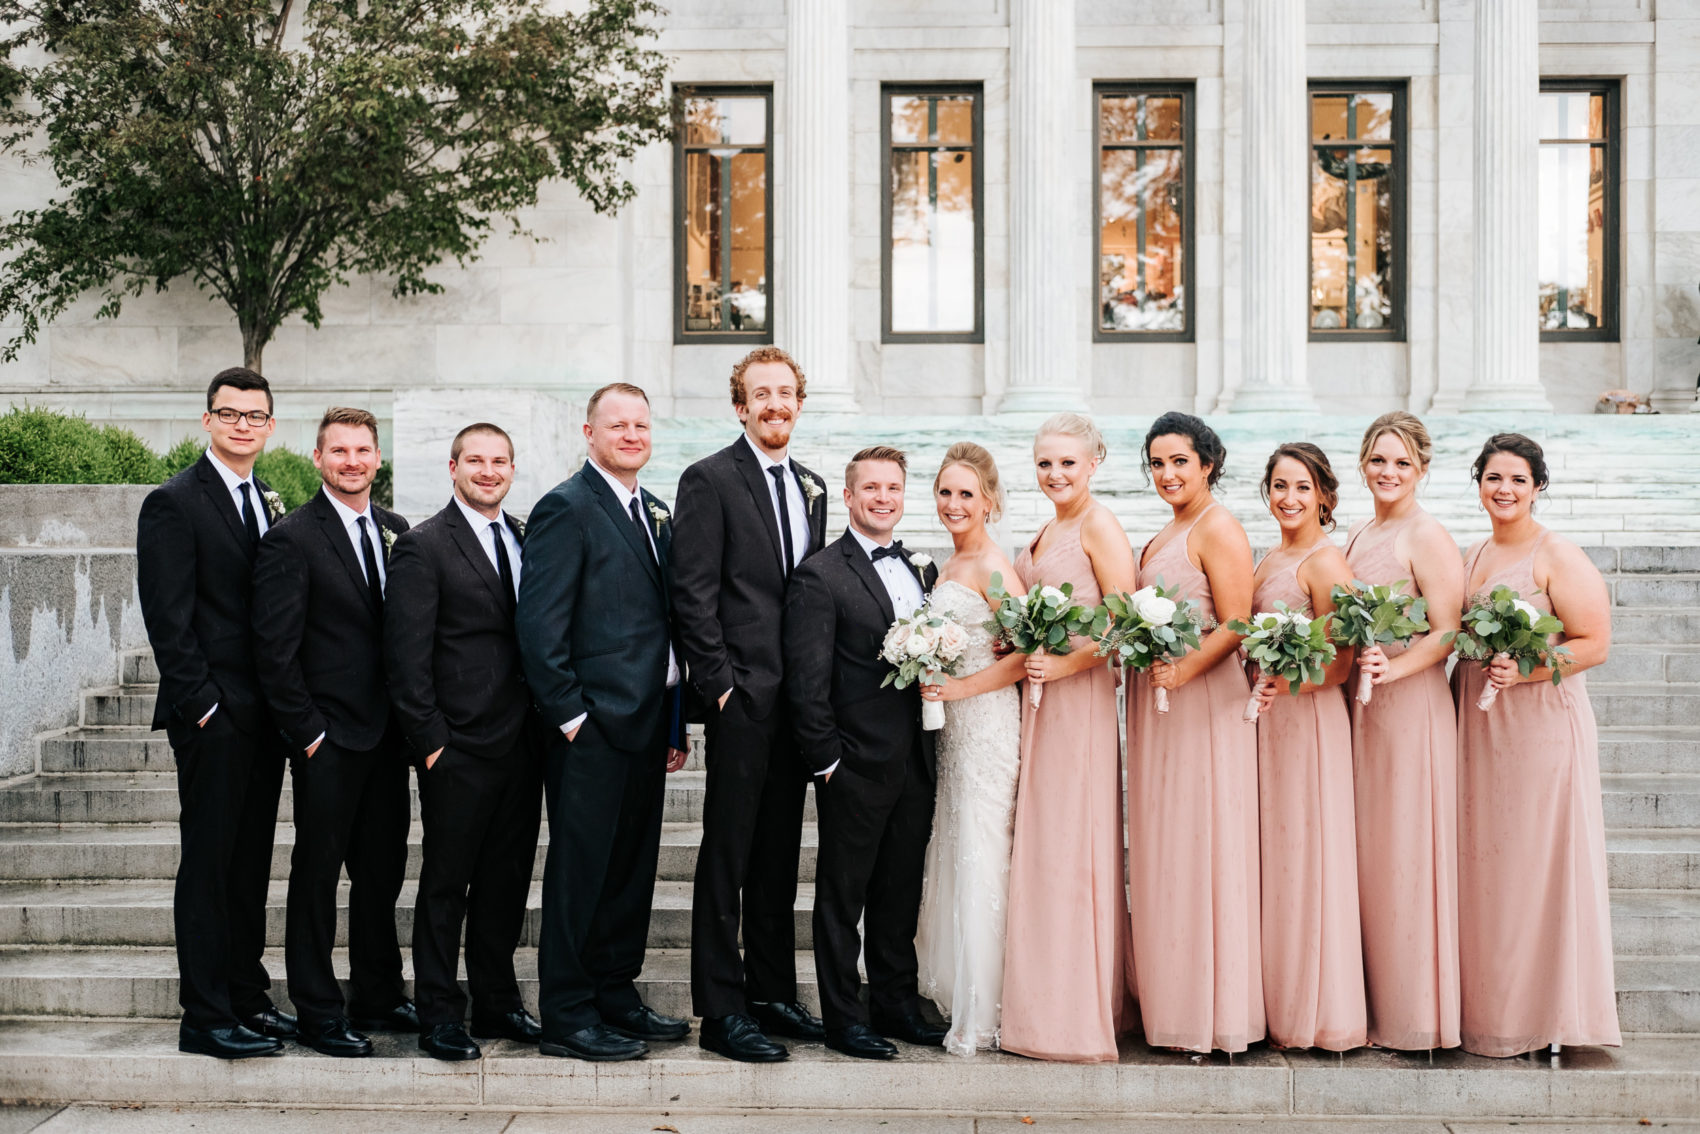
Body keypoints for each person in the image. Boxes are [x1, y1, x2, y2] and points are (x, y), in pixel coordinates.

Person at [516, 383, 691, 1063]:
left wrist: (673, 721)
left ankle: (614, 993)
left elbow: (664, 623)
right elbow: (539, 626)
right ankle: (566, 1014)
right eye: (617, 425)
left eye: (640, 425)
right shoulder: (566, 507)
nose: (631, 435)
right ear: (589, 433)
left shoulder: (653, 510)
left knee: (629, 872)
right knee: (581, 874)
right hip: (590, 730)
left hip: (646, 725)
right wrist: (571, 719)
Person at [672, 347, 828, 1063]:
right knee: (728, 856)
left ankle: (771, 994)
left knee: (777, 856)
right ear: (741, 407)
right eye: (761, 394)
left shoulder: (813, 487)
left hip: (798, 702)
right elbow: (692, 592)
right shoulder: (709, 479)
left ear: (799, 403)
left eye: (785, 392)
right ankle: (722, 1010)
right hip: (742, 700)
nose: (775, 404)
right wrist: (721, 686)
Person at [136, 367, 291, 1059]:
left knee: (249, 863)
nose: (242, 425)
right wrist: (202, 706)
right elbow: (168, 621)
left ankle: (246, 996)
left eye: (254, 416)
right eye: (229, 414)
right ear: (207, 420)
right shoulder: (173, 502)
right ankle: (204, 1016)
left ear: (270, 426)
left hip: (264, 717)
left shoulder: (268, 499)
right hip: (214, 715)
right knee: (209, 863)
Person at [251, 407, 415, 1058]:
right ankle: (318, 1010)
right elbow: (274, 650)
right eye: (339, 451)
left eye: (362, 450)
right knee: (317, 877)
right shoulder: (292, 538)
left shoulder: (397, 530)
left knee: (383, 874)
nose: (352, 461)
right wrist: (308, 734)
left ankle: (378, 992)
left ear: (378, 459)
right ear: (318, 459)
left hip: (389, 740)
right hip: (329, 740)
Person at [383, 423, 544, 1061]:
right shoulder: (423, 546)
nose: (488, 471)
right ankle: (440, 1012)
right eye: (475, 460)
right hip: (457, 747)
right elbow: (406, 657)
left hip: (523, 744)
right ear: (453, 468)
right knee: (447, 884)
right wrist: (431, 744)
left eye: (499, 461)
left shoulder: (526, 537)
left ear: (512, 469)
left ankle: (497, 1001)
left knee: (507, 882)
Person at [1455, 433, 1620, 1057]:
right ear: (1479, 484)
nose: (1504, 489)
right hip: (1479, 725)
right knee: (1490, 863)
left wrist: (1526, 669)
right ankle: (1491, 1008)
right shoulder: (1471, 555)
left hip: (1541, 726)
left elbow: (1594, 642)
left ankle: (1547, 1017)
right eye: (1493, 477)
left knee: (1536, 861)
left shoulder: (1557, 554)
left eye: (1518, 479)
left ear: (1538, 486)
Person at [782, 446, 945, 1061]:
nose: (883, 498)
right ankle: (844, 1019)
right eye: (870, 488)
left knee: (899, 892)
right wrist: (828, 762)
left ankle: (895, 1004)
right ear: (848, 497)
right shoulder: (820, 575)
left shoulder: (922, 568)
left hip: (916, 759)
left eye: (893, 488)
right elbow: (807, 682)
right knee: (841, 897)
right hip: (853, 764)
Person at [1125, 412, 1264, 1055]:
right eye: (1157, 463)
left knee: (1205, 845)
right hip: (1162, 705)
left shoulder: (1218, 527)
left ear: (1208, 464)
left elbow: (1237, 623)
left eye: (1179, 461)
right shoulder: (1167, 531)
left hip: (1204, 702)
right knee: (1170, 848)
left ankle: (1214, 1013)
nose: (1167, 474)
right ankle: (1172, 1000)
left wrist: (1182, 670)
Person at [1000, 414, 1134, 1063]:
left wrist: (1064, 666)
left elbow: (1123, 624)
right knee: (1047, 844)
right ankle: (1045, 998)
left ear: (1094, 464)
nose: (1055, 474)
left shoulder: (1099, 525)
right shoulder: (1050, 527)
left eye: (1067, 463)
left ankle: (1073, 1014)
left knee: (1070, 841)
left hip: (1077, 700)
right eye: (1045, 463)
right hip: (1042, 699)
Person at [1343, 412, 1462, 1051]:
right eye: (1378, 460)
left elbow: (1446, 631)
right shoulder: (1360, 533)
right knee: (1371, 854)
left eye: (1401, 463)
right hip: (1362, 707)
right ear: (1363, 464)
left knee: (1407, 851)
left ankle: (1414, 1015)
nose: (1388, 472)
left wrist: (1393, 668)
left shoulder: (1427, 535)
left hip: (1410, 707)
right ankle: (1373, 1000)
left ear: (1421, 469)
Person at [1247, 442, 1366, 1052]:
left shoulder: (1326, 564)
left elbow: (1342, 664)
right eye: (1279, 486)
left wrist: (1286, 682)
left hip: (1310, 722)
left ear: (1324, 496)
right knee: (1278, 859)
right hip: (1269, 725)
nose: (1288, 498)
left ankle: (1318, 1011)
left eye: (1301, 487)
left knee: (1308, 855)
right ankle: (1277, 998)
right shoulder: (1270, 557)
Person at [914, 443, 1027, 1056]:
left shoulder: (992, 566)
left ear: (989, 502)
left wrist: (957, 688)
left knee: (983, 847)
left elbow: (1023, 656)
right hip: (953, 732)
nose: (953, 504)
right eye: (945, 492)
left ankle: (987, 1007)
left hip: (986, 726)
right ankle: (956, 983)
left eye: (966, 494)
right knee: (957, 841)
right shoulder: (948, 563)